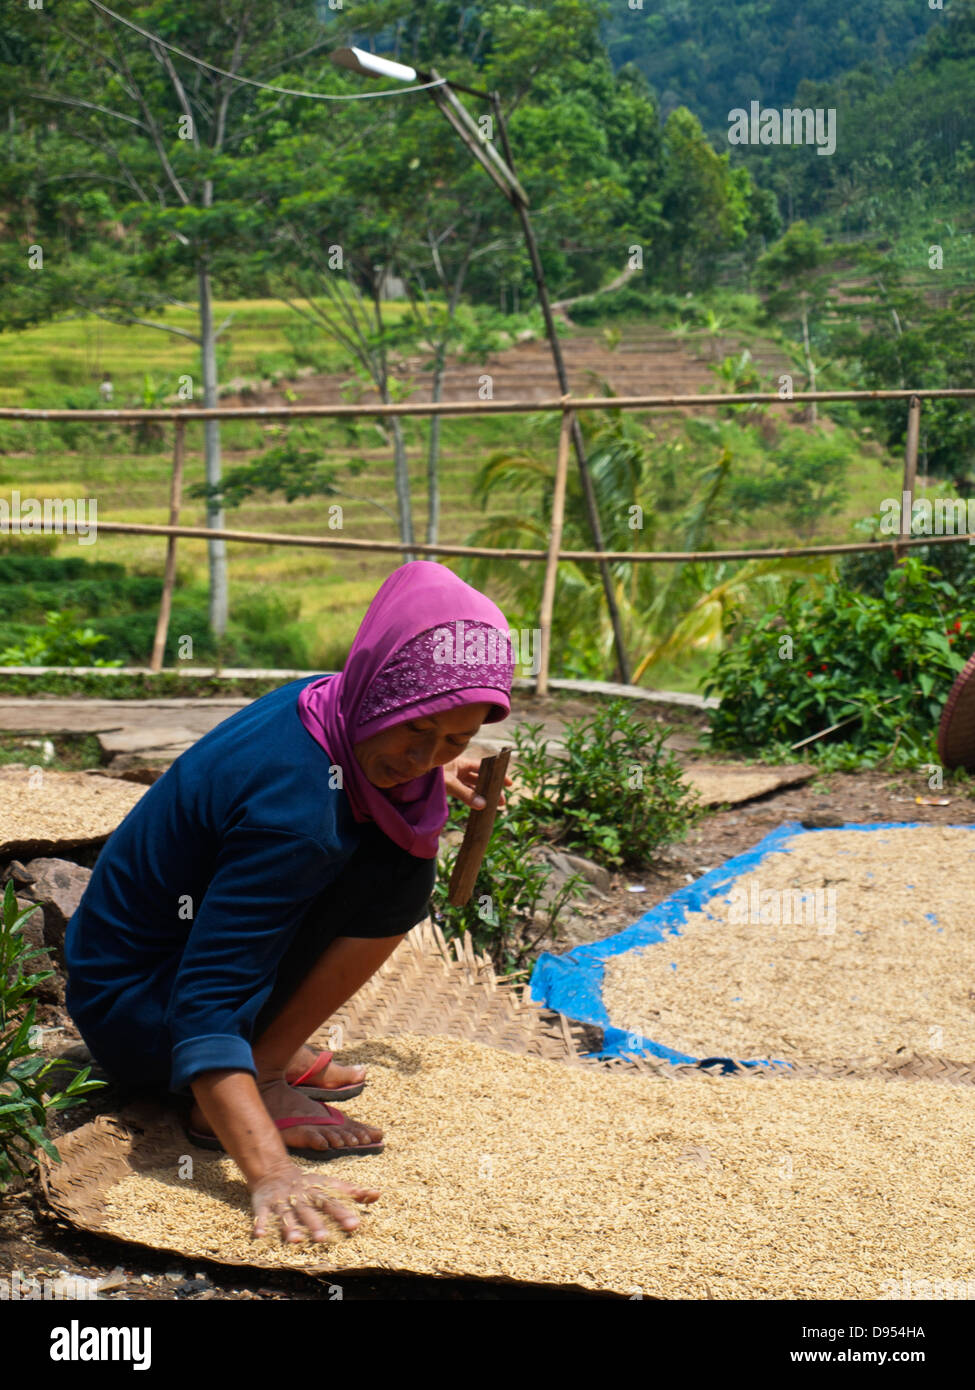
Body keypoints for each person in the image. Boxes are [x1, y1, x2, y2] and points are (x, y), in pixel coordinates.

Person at [64, 561, 515, 1245]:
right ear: (376, 689)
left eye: (452, 740)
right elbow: (205, 1003)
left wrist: (432, 758)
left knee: (399, 864)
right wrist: (270, 1174)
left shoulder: (328, 703)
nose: (422, 758)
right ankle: (241, 1087)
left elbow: (403, 756)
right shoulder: (296, 816)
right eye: (413, 731)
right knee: (385, 868)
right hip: (140, 1010)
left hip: (155, 965)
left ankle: (262, 1055)